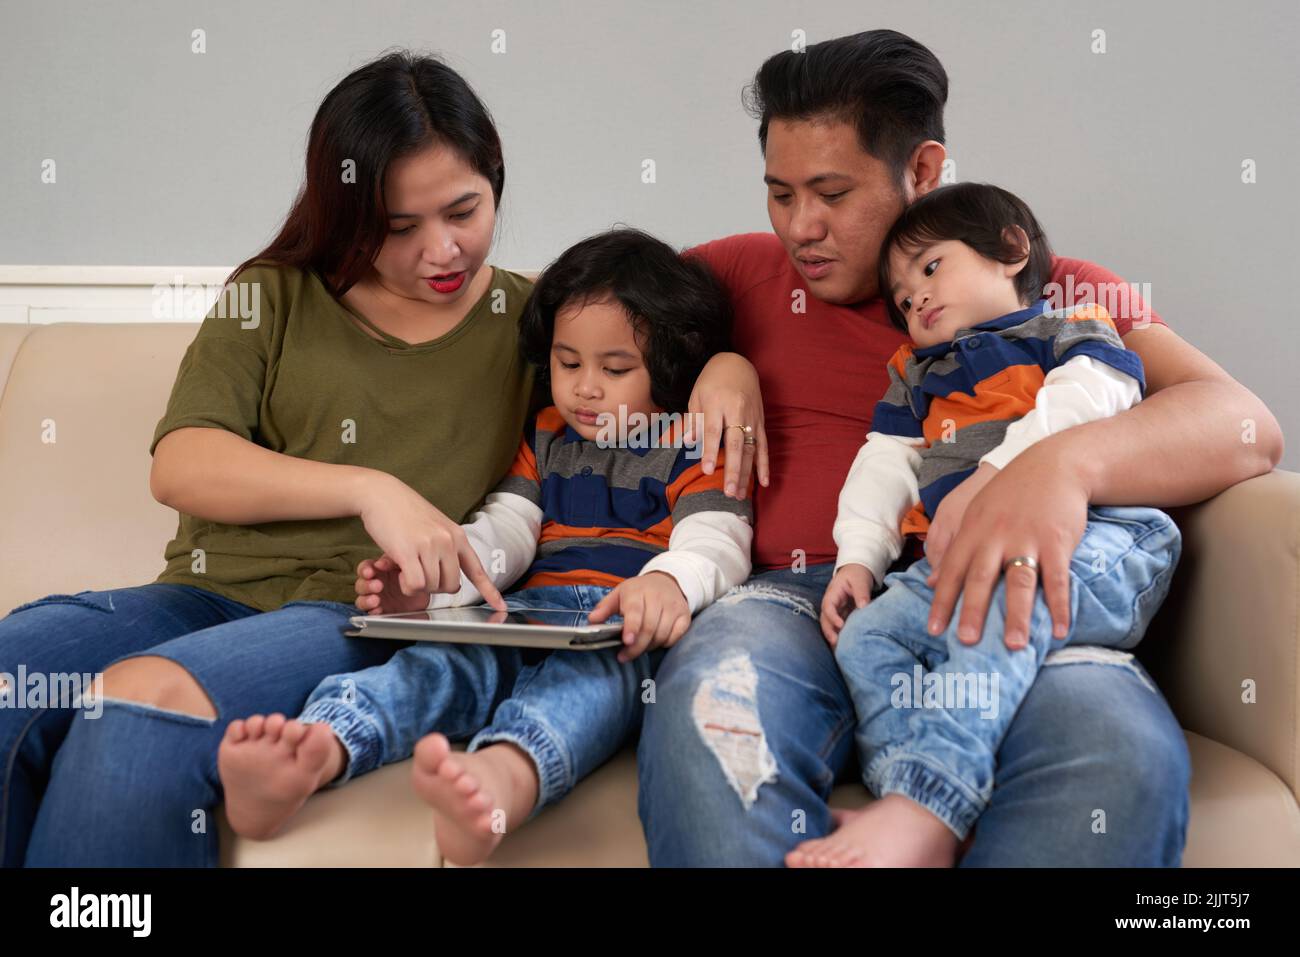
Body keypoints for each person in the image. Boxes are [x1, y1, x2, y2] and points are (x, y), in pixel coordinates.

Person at [1, 53, 758, 867]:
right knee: (15, 667)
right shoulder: (272, 295)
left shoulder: (532, 320)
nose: (443, 250)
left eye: (464, 210)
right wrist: (370, 486)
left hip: (356, 617)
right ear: (349, 210)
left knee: (139, 706)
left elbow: (640, 334)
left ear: (496, 179)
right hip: (199, 595)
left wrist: (727, 366)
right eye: (400, 228)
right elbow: (182, 460)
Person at [635, 29, 1282, 867]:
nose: (802, 227)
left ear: (926, 170)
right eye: (780, 193)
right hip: (805, 598)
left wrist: (1060, 466)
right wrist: (713, 361)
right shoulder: (741, 274)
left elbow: (1243, 424)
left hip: (1022, 596)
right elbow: (589, 335)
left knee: (1119, 755)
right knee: (711, 705)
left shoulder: (1045, 290)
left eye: (832, 192)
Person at [216, 229, 753, 866]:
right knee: (438, 663)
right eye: (567, 362)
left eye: (614, 370)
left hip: (623, 630)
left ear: (669, 364)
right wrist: (439, 583)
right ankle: (319, 746)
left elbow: (718, 540)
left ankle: (503, 777)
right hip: (523, 614)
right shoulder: (550, 434)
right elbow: (507, 529)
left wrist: (669, 584)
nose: (584, 388)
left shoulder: (693, 443)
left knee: (588, 689)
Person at [787, 182, 1181, 866]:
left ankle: (927, 806)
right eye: (905, 300)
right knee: (868, 638)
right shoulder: (916, 373)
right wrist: (858, 556)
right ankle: (917, 803)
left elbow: (1095, 395)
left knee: (1004, 590)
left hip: (1100, 540)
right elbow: (884, 464)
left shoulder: (1066, 326)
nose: (919, 300)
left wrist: (998, 473)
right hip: (958, 562)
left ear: (1010, 251)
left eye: (931, 268)